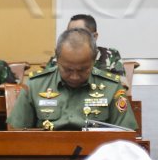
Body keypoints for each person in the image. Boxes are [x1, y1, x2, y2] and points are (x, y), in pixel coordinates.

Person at [8, 28, 136, 130]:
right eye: (68, 69)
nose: (75, 76)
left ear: (94, 59)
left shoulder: (112, 87)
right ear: (57, 58)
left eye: (83, 70)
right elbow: (17, 134)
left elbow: (125, 136)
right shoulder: (35, 85)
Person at [34, 13, 124, 78]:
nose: (74, 36)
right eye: (69, 32)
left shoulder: (111, 55)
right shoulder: (58, 57)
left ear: (95, 36)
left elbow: (120, 87)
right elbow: (46, 85)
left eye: (80, 32)